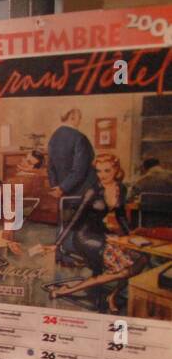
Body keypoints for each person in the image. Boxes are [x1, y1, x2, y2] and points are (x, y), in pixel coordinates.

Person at [46, 153, 147, 313]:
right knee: (126, 268)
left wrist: (131, 238)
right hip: (85, 237)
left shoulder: (121, 188)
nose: (102, 175)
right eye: (99, 171)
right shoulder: (93, 191)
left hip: (103, 233)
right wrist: (57, 243)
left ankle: (112, 295)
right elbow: (75, 219)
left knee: (141, 258)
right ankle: (65, 290)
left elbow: (121, 216)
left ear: (116, 170)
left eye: (106, 171)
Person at [47, 108, 97, 264]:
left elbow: (50, 167)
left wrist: (57, 187)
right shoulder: (79, 138)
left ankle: (61, 255)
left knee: (64, 221)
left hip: (62, 190)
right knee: (77, 223)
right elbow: (80, 169)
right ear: (73, 117)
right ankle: (71, 256)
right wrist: (64, 187)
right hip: (80, 189)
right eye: (79, 117)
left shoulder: (53, 138)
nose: (80, 120)